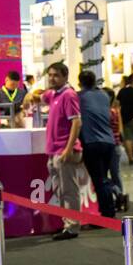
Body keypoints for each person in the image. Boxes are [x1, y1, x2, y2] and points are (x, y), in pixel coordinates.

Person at [42, 61, 82, 241]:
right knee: (60, 190)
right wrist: (31, 97)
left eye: (56, 75)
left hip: (64, 150)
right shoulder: (54, 94)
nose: (52, 78)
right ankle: (67, 222)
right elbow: (42, 96)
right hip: (53, 150)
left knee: (69, 190)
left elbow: (76, 122)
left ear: (65, 77)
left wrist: (68, 148)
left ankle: (72, 226)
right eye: (50, 75)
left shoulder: (68, 95)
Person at [76, 71, 118, 220]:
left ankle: (106, 213)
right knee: (104, 177)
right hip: (108, 141)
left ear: (80, 82)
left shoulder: (79, 97)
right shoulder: (104, 96)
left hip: (91, 142)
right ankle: (109, 208)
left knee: (98, 179)